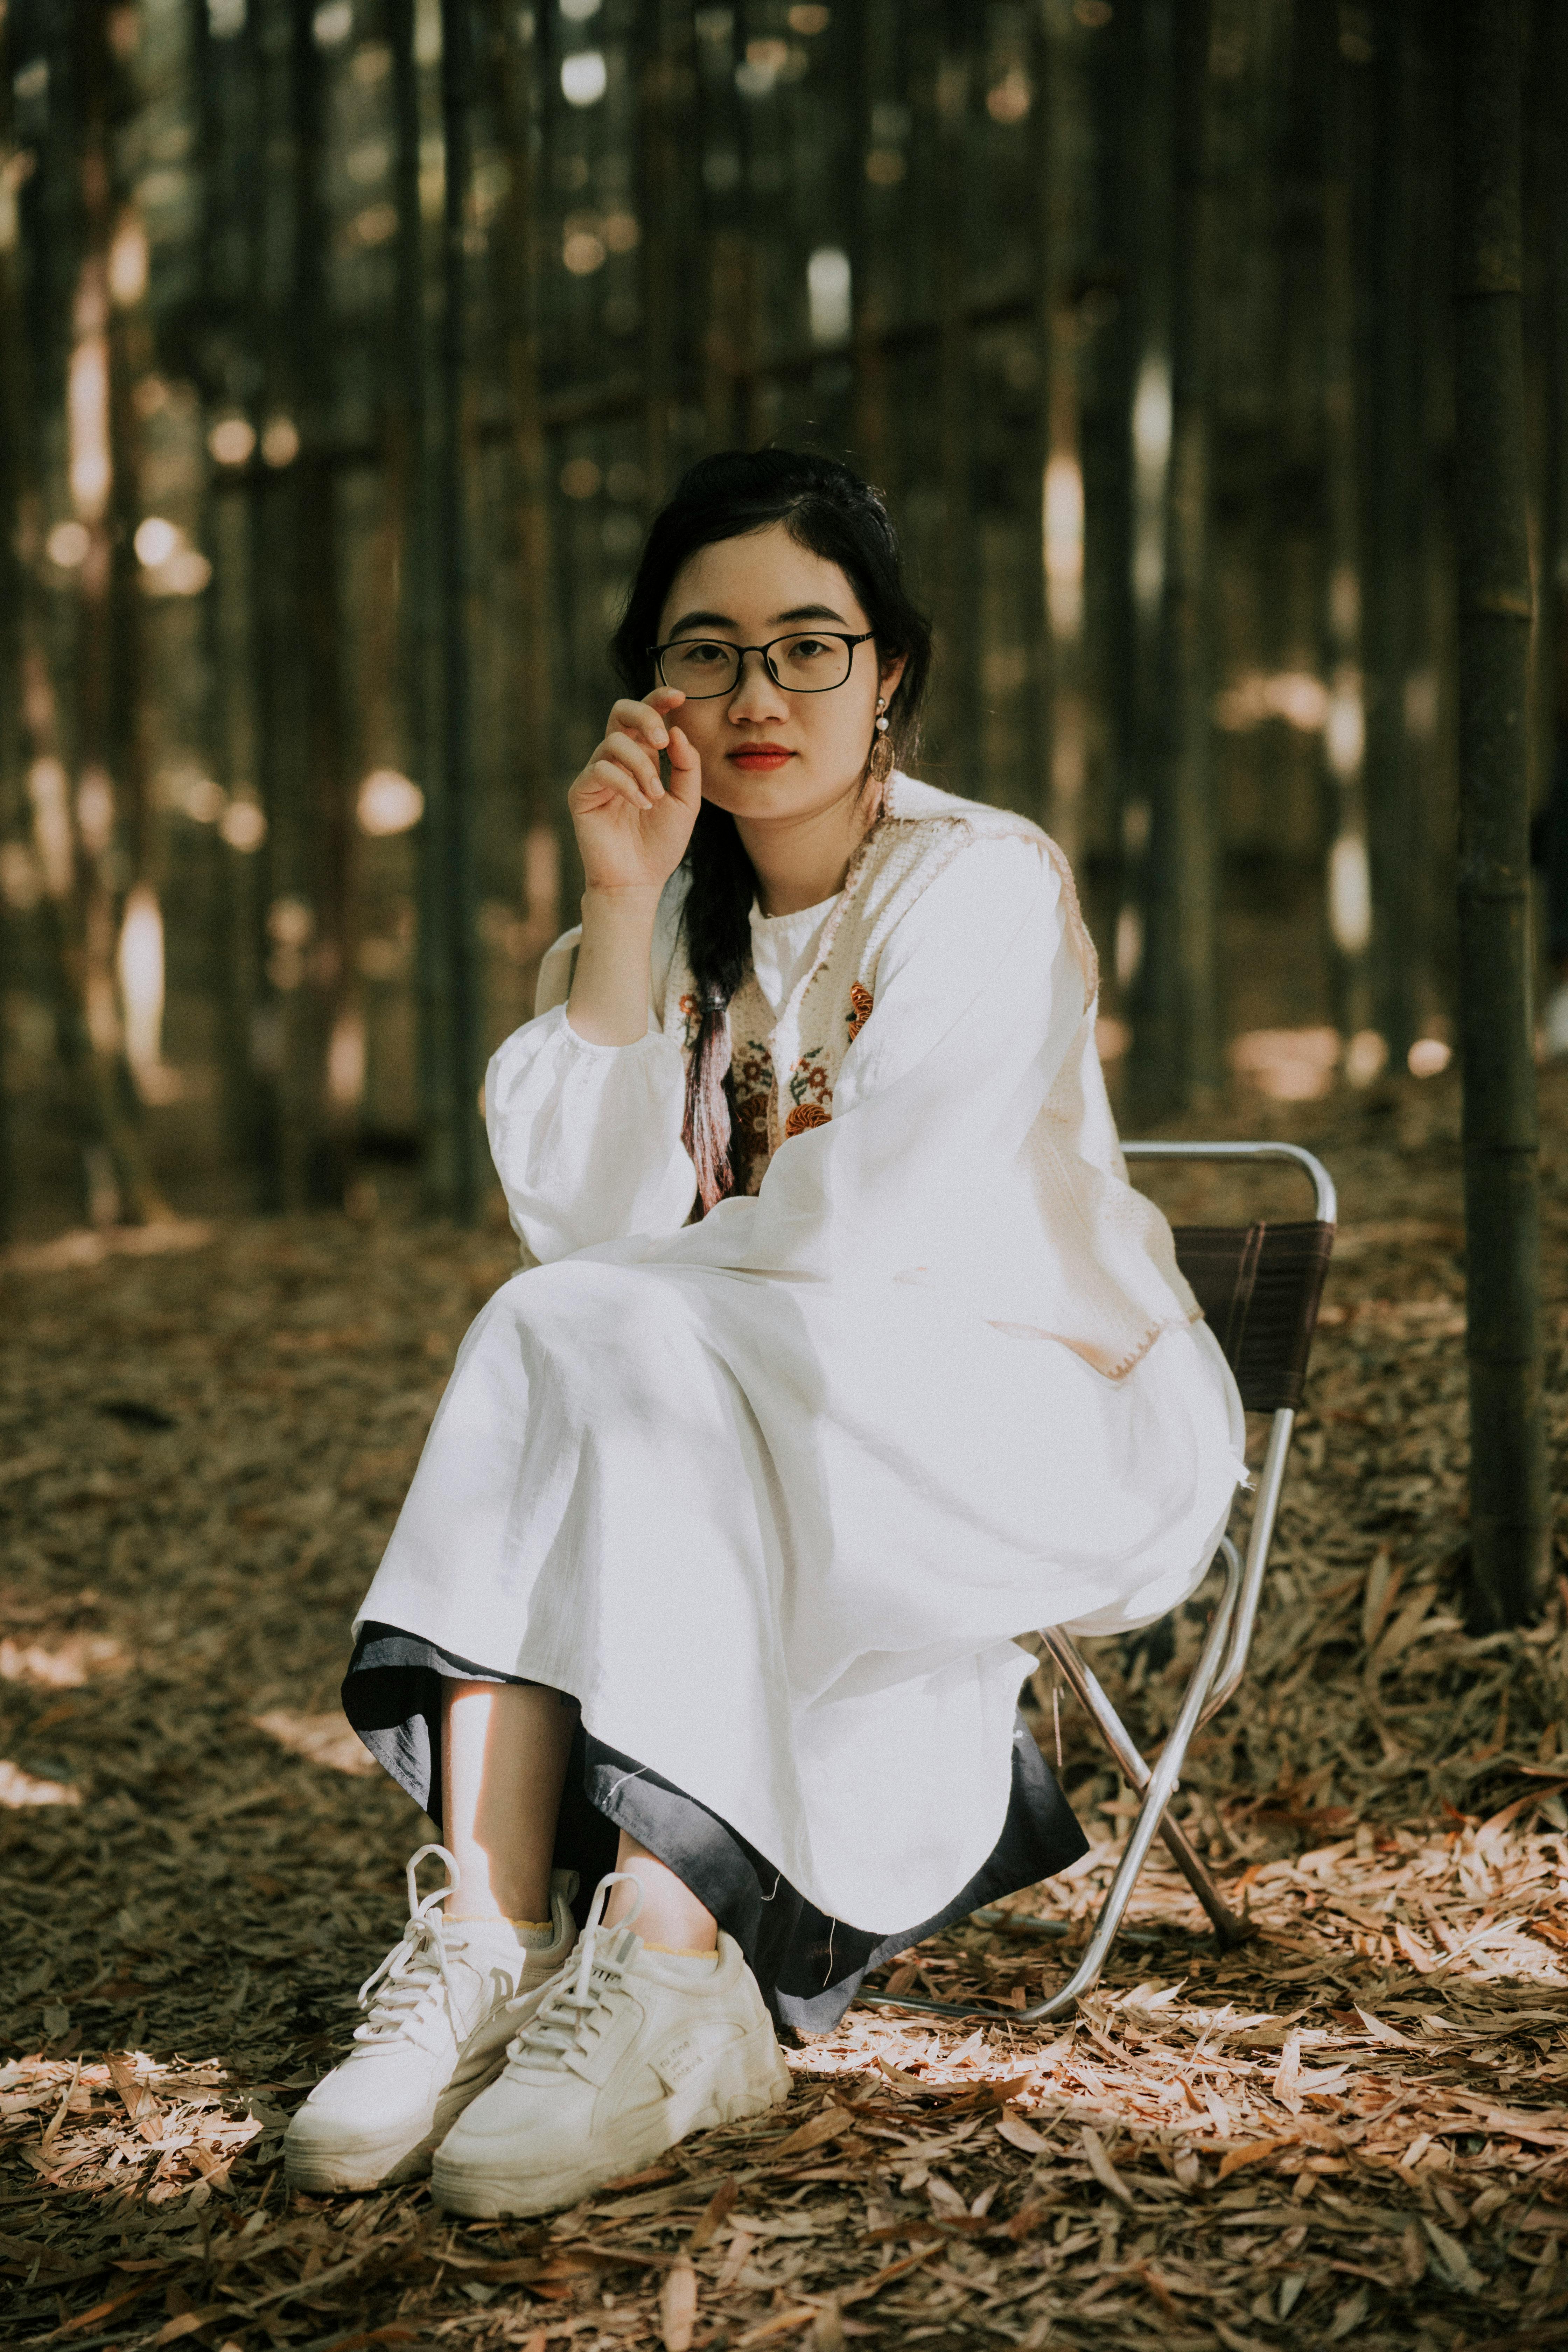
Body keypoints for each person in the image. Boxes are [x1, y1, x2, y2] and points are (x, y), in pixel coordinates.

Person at [284, 448, 1246, 2219]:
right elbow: (581, 1226)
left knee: (597, 1328)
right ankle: (493, 1944)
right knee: (582, 1319)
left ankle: (665, 1965)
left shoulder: (979, 883)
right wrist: (628, 899)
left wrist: (641, 1279)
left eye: (811, 645)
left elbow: (880, 1223)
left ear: (891, 672)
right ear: (651, 685)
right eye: (705, 651)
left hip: (1045, 1414)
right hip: (761, 1394)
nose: (757, 694)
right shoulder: (677, 920)